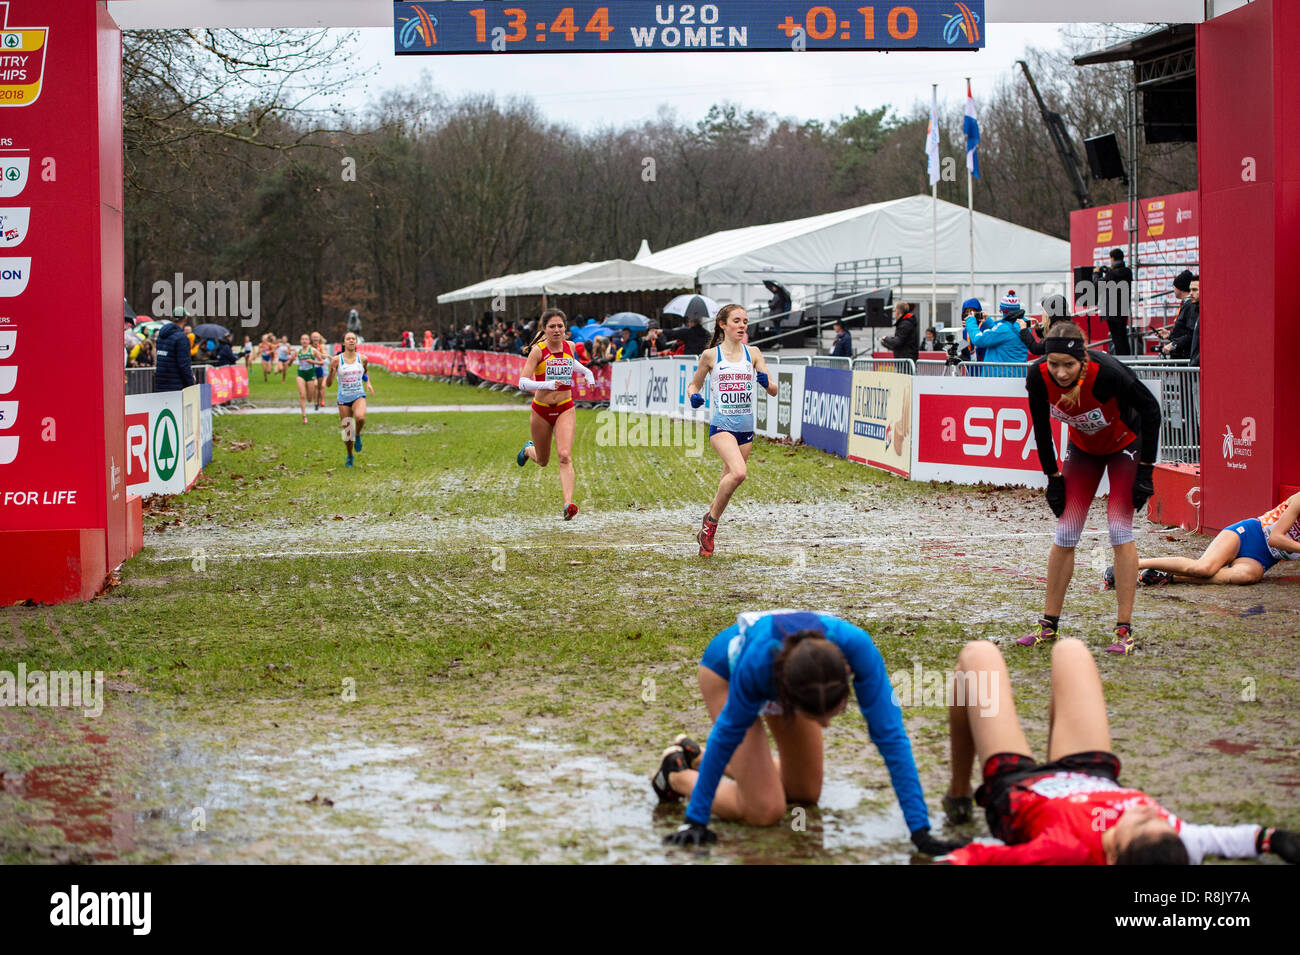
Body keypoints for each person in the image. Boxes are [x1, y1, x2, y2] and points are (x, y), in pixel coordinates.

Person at [939, 637, 1298, 865]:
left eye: (1140, 821)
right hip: (1089, 774)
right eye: (1157, 818)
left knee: (977, 657)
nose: (1145, 809)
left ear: (1111, 856)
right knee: (1071, 650)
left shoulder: (1066, 852)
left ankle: (958, 793)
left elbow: (977, 856)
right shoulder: (1169, 840)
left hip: (1020, 791)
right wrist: (1274, 839)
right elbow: (1231, 839)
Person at [655, 609, 965, 857]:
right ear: (788, 698)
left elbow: (892, 739)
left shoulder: (858, 648)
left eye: (833, 712)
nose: (827, 726)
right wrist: (695, 820)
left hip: (797, 669)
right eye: (819, 717)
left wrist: (920, 831)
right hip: (727, 670)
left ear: (845, 674)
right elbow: (726, 737)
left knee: (804, 792)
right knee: (766, 810)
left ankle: (699, 758)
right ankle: (677, 773)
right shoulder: (757, 668)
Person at [1021, 322, 1161, 655]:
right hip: (1084, 449)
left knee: (1119, 531)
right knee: (1066, 533)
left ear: (1082, 358)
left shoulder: (1109, 372)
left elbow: (1152, 410)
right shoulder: (1037, 376)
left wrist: (1146, 470)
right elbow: (1040, 427)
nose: (1060, 372)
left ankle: (1123, 630)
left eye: (1068, 365)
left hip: (1126, 445)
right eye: (1053, 364)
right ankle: (1048, 626)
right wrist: (1053, 477)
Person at [685, 304, 778, 558]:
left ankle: (707, 529)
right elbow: (694, 385)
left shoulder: (754, 353)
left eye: (745, 321)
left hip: (746, 429)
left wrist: (765, 382)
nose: (742, 325)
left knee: (727, 486)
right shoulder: (710, 356)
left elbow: (773, 389)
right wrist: (694, 397)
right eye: (737, 321)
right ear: (723, 325)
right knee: (738, 473)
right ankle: (711, 524)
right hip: (722, 426)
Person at [1113, 491, 1300, 587]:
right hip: (1249, 534)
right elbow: (1276, 538)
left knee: (1245, 577)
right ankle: (1133, 564)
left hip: (1262, 558)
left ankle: (1168, 577)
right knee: (1203, 568)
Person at [515, 309, 597, 521]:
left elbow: (572, 364)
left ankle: (568, 504)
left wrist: (587, 373)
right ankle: (527, 450)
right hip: (541, 410)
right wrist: (547, 384)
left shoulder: (570, 346)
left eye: (560, 325)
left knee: (564, 455)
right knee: (543, 460)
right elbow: (522, 382)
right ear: (544, 329)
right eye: (552, 326)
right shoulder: (538, 351)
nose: (557, 330)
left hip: (564, 408)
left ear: (565, 328)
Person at [326, 331, 373, 468]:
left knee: (360, 419)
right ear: (343, 343)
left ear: (356, 342)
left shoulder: (363, 358)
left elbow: (365, 371)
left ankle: (357, 435)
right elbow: (328, 384)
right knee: (348, 433)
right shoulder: (336, 360)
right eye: (348, 339)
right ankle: (350, 455)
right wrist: (331, 372)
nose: (351, 341)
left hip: (358, 395)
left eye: (354, 339)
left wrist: (368, 382)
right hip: (343, 398)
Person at [963, 292, 1029, 376]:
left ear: (1004, 311)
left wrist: (970, 320)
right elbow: (1001, 334)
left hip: (1001, 378)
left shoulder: (1004, 329)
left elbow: (979, 339)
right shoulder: (1022, 324)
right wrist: (988, 322)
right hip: (1016, 374)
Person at [1096, 248, 1133, 356]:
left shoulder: (1113, 274)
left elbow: (1097, 284)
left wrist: (1096, 274)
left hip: (1112, 311)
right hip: (1123, 309)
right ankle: (1128, 360)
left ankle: (1122, 362)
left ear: (1112, 258)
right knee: (1123, 337)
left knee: (1117, 339)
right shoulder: (1127, 272)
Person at [1160, 271, 1198, 360]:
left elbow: (1191, 334)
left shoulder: (1190, 305)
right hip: (1182, 355)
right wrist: (1169, 335)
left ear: (1179, 288)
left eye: (1194, 290)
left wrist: (1173, 345)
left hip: (1185, 356)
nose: (1191, 293)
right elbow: (1184, 331)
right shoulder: (1187, 304)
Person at [153, 313, 195, 392]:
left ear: (171, 317)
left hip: (160, 383)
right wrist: (191, 385)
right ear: (185, 319)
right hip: (176, 385)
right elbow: (183, 365)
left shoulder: (161, 335)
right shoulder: (182, 338)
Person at [881, 301, 919, 366]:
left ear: (899, 312)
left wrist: (886, 338)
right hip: (903, 360)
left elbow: (898, 342)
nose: (894, 313)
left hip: (906, 362)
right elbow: (900, 344)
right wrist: (887, 343)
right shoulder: (905, 323)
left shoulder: (905, 324)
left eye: (895, 310)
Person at [292, 333, 318, 424]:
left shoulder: (313, 351)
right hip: (301, 374)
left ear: (309, 341)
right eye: (302, 339)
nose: (304, 341)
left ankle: (313, 399)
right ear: (300, 341)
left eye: (306, 339)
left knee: (309, 399)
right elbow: (291, 360)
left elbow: (322, 362)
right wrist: (289, 362)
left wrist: (313, 361)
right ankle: (304, 416)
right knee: (302, 395)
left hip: (311, 375)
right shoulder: (297, 351)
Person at [311, 332, 329, 410]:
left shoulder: (322, 346)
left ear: (319, 338)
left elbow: (324, 357)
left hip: (323, 368)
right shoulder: (309, 347)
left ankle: (321, 400)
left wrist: (318, 353)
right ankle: (316, 403)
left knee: (321, 386)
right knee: (315, 385)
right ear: (311, 338)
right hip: (313, 369)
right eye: (314, 337)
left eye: (317, 337)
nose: (315, 339)